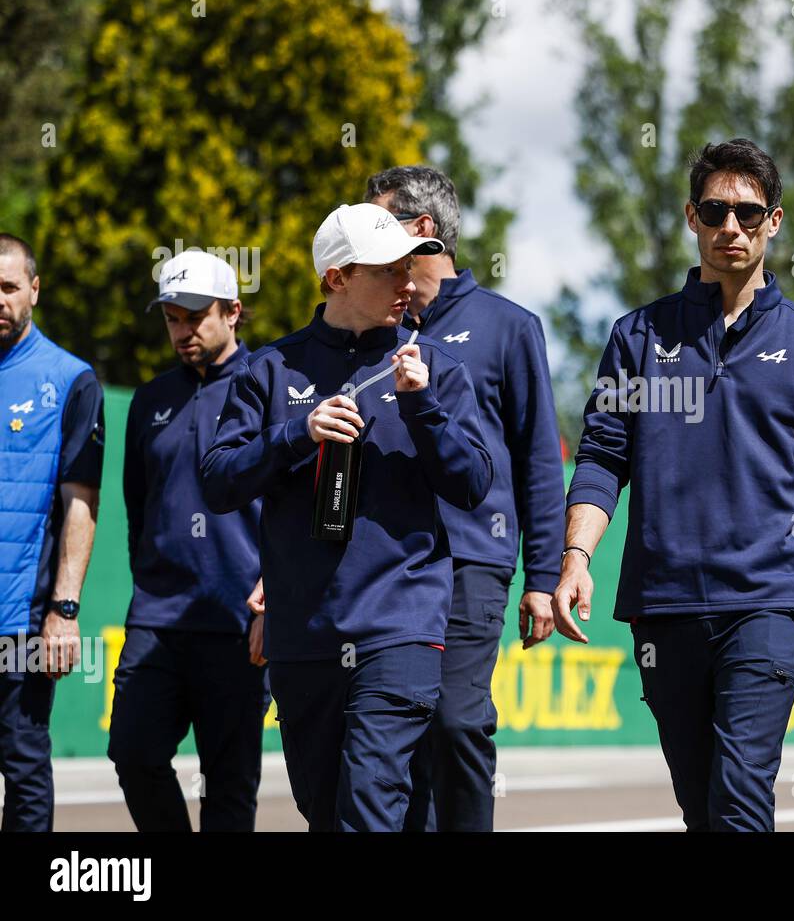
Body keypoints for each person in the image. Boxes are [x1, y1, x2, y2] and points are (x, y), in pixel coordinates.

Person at [552, 139, 794, 832]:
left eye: (749, 213)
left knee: (738, 798)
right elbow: (604, 456)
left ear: (775, 221)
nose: (732, 227)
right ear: (692, 218)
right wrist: (576, 558)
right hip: (663, 604)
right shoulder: (636, 336)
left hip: (770, 601)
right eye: (716, 210)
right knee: (702, 806)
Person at [200, 203, 492, 831]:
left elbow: (473, 485)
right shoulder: (268, 370)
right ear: (336, 278)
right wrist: (295, 435)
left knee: (367, 807)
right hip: (304, 637)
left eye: (411, 268)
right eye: (389, 272)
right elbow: (218, 482)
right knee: (329, 812)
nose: (409, 284)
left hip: (401, 627)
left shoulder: (435, 368)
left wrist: (425, 410)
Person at [365, 166, 566, 832]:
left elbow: (540, 457)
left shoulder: (508, 327)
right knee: (398, 734)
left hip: (470, 564)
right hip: (383, 567)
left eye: (377, 220)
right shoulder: (372, 328)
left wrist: (544, 576)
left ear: (422, 233)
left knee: (455, 722)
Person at [109, 250, 269, 831]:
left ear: (233, 312)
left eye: (195, 316)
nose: (182, 330)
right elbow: (137, 506)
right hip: (159, 619)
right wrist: (150, 582)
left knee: (229, 788)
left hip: (239, 623)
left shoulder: (270, 383)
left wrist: (270, 598)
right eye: (172, 317)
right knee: (133, 753)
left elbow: (292, 511)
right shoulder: (150, 399)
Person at [0, 232, 104, 831]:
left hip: (22, 619)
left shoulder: (71, 380)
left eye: (10, 287)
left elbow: (80, 503)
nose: (1, 299)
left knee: (24, 771)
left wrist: (64, 610)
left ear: (34, 290)